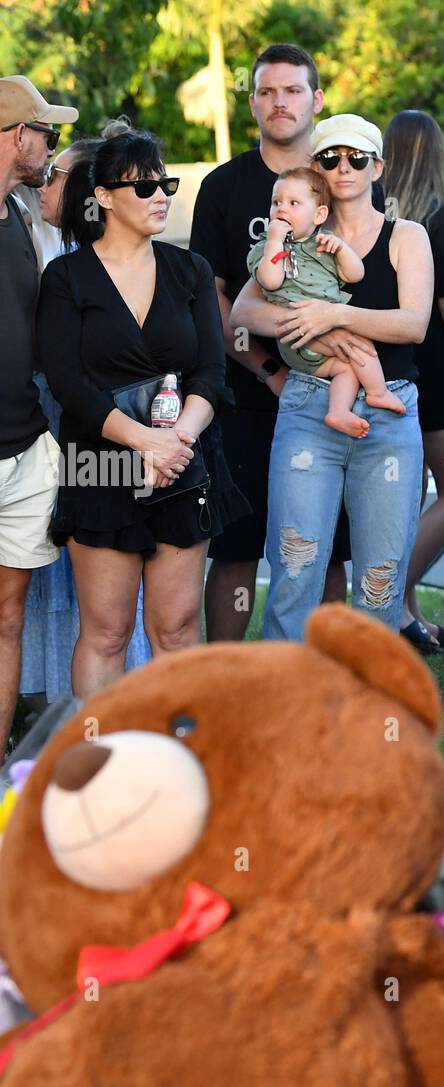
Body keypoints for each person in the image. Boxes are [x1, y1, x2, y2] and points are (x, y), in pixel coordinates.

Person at [37, 128, 247, 695]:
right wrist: (144, 443)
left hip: (183, 460)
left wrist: (174, 442)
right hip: (100, 466)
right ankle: (99, 767)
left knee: (177, 630)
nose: (161, 196)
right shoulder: (66, 278)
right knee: (106, 633)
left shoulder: (191, 272)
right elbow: (68, 384)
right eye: (146, 186)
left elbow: (211, 372)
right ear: (103, 197)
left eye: (166, 184)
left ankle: (177, 760)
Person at [230, 114, 432, 641]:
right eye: (331, 157)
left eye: (357, 157)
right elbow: (243, 314)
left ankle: (368, 709)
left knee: (380, 576)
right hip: (307, 404)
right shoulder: (291, 241)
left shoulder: (405, 235)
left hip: (391, 407)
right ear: (315, 169)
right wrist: (306, 324)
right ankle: (287, 705)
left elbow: (414, 325)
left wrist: (334, 316)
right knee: (295, 565)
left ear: (377, 167)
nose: (344, 167)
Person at [189, 43, 350, 642]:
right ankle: (226, 677)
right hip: (248, 393)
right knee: (237, 545)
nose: (279, 103)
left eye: (291, 90)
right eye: (266, 92)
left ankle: (325, 682)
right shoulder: (224, 186)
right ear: (252, 101)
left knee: (329, 549)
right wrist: (265, 370)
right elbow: (213, 295)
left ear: (317, 99)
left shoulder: (344, 179)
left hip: (332, 388)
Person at [20, 128, 152, 704]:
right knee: (52, 568)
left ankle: (122, 702)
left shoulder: (94, 261)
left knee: (103, 583)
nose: (45, 185)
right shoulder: (35, 242)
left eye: (58, 177)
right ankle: (58, 701)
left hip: (98, 429)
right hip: (50, 421)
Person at [382, 109, 444, 654]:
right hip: (438, 368)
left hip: (392, 364)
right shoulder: (437, 216)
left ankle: (407, 617)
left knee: (402, 499)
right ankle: (388, 601)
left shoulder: (376, 213)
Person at [0, 75, 73, 750]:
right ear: (20, 137)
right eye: (47, 134)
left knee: (8, 615)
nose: (52, 147)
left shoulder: (23, 218)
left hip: (23, 447)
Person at [248, 166, 402, 436]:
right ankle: (378, 392)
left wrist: (342, 250)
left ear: (319, 214)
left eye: (293, 203)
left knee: (347, 367)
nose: (281, 209)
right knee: (359, 344)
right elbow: (270, 281)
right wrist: (274, 241)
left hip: (326, 332)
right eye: (276, 203)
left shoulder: (324, 244)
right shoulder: (265, 248)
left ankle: (338, 411)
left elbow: (355, 274)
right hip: (297, 334)